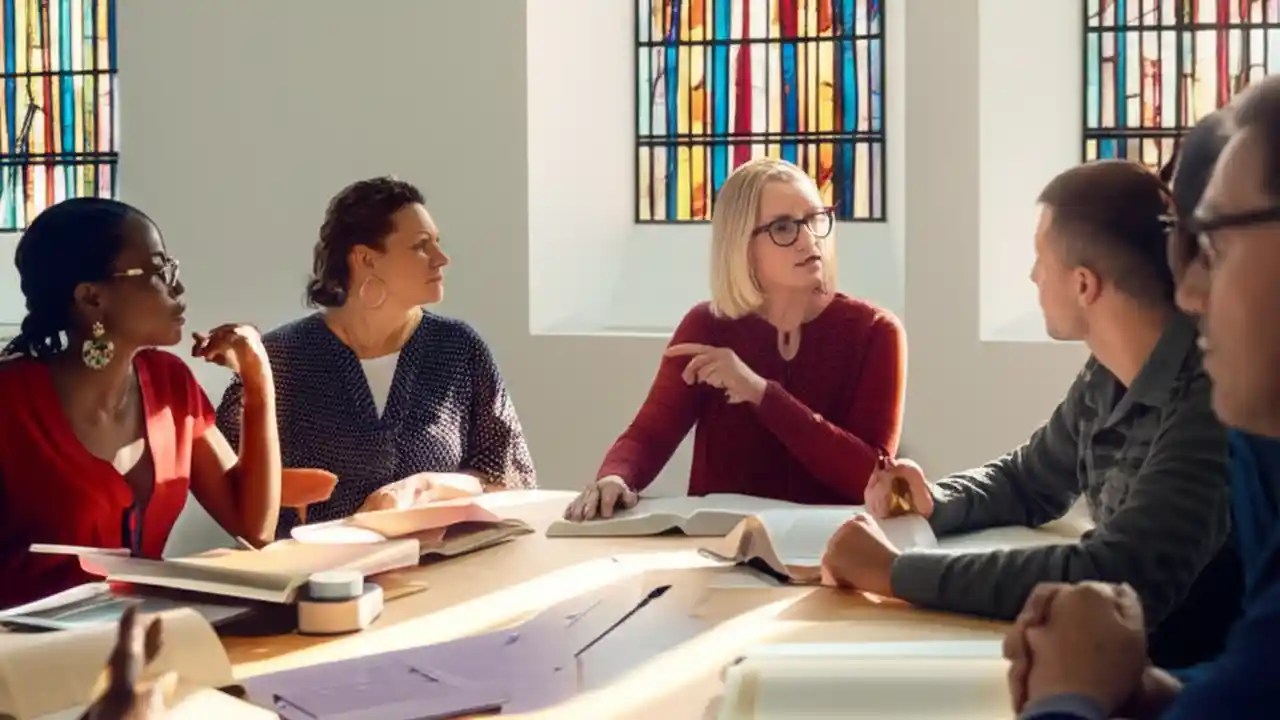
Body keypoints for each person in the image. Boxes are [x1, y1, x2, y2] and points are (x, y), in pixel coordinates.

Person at [821, 159, 1237, 668]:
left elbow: (1119, 573)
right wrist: (935, 501)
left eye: (1041, 259)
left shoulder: (1212, 395)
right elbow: (1028, 481)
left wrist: (894, 572)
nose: (1032, 275)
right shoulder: (1106, 373)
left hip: (1193, 686)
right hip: (1112, 668)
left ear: (1084, 285)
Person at [1005, 75, 1280, 720]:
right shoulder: (1263, 447)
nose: (1187, 294)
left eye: (1211, 243)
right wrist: (1149, 694)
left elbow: (1128, 564)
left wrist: (1067, 698)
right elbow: (1258, 680)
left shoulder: (1218, 409)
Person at [563, 157, 907, 521]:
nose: (808, 239)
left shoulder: (876, 332)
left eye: (815, 219)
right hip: (718, 543)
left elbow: (870, 478)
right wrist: (616, 477)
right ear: (741, 244)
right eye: (784, 227)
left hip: (834, 544)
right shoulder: (706, 326)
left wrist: (760, 392)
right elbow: (649, 434)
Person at [0, 198, 281, 608]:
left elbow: (254, 529)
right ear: (92, 298)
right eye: (159, 271)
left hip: (144, 634)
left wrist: (257, 379)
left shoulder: (171, 385)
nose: (177, 288)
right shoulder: (10, 403)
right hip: (23, 643)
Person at [216, 177, 535, 535]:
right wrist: (287, 491)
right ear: (366, 259)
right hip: (315, 565)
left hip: (442, 563)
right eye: (421, 246)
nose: (441, 259)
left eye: (437, 243)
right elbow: (225, 485)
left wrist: (426, 486)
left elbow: (510, 479)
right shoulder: (279, 359)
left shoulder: (459, 349)